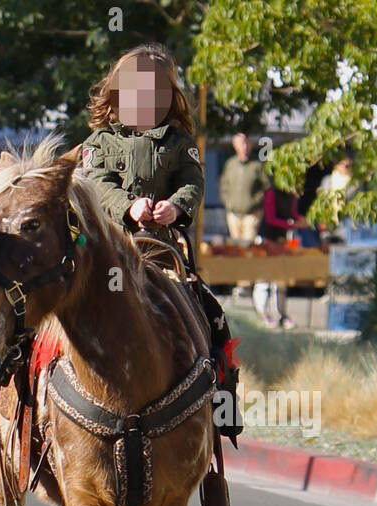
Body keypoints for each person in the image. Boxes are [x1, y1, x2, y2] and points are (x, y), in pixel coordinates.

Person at [78, 44, 241, 440]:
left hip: (162, 251)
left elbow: (193, 181)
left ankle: (225, 410)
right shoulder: (99, 142)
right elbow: (96, 184)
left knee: (214, 316)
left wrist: (175, 207)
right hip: (107, 250)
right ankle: (27, 394)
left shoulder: (180, 141)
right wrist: (129, 207)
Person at [219, 132, 267, 298]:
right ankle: (239, 282)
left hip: (251, 213)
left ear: (250, 145)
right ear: (235, 146)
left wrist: (255, 201)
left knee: (247, 246)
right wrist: (228, 203)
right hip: (233, 212)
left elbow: (265, 187)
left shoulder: (256, 165)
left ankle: (245, 284)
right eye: (241, 144)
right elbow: (224, 185)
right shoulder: (230, 164)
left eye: (247, 144)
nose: (244, 147)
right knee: (236, 248)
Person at [253, 184, 306, 329]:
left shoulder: (292, 194)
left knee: (281, 279)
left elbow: (293, 213)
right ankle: (262, 312)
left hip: (281, 240)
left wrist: (300, 220)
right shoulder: (271, 192)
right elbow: (270, 218)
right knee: (264, 279)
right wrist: (291, 225)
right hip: (266, 238)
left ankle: (280, 313)